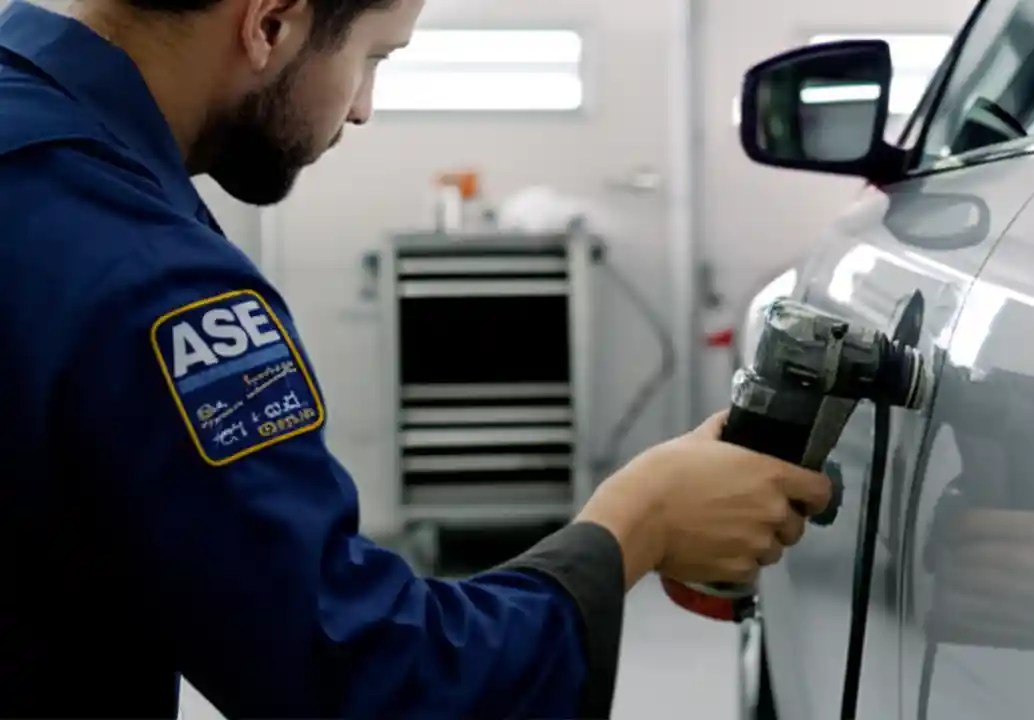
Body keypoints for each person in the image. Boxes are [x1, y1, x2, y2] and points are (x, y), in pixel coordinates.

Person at [0, 0, 832, 716]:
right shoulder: (150, 279)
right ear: (271, 22)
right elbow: (368, 681)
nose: (362, 108)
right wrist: (639, 521)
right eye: (373, 58)